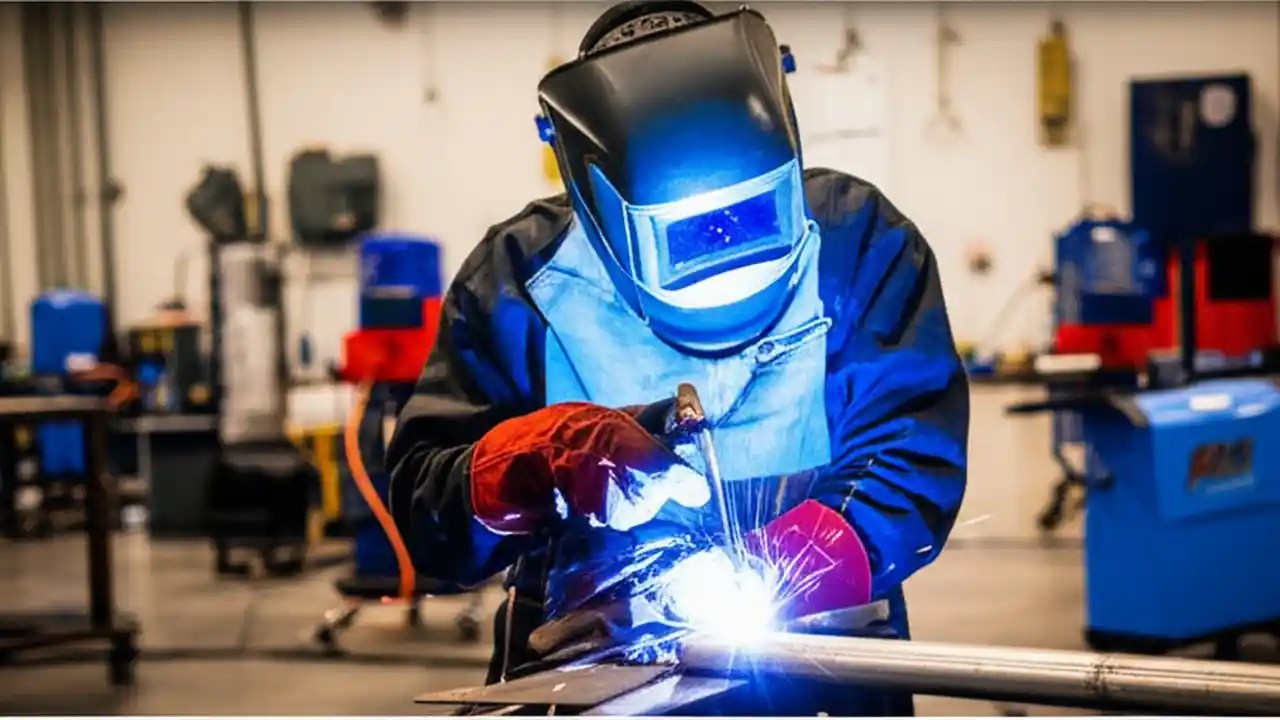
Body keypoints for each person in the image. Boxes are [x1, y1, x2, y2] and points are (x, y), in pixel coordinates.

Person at [387, 1, 968, 714]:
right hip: (586, 670)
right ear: (597, 198)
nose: (724, 246)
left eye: (752, 216)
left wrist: (772, 569)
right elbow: (430, 524)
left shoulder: (855, 243)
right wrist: (527, 466)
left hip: (824, 663)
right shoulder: (517, 282)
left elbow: (911, 462)